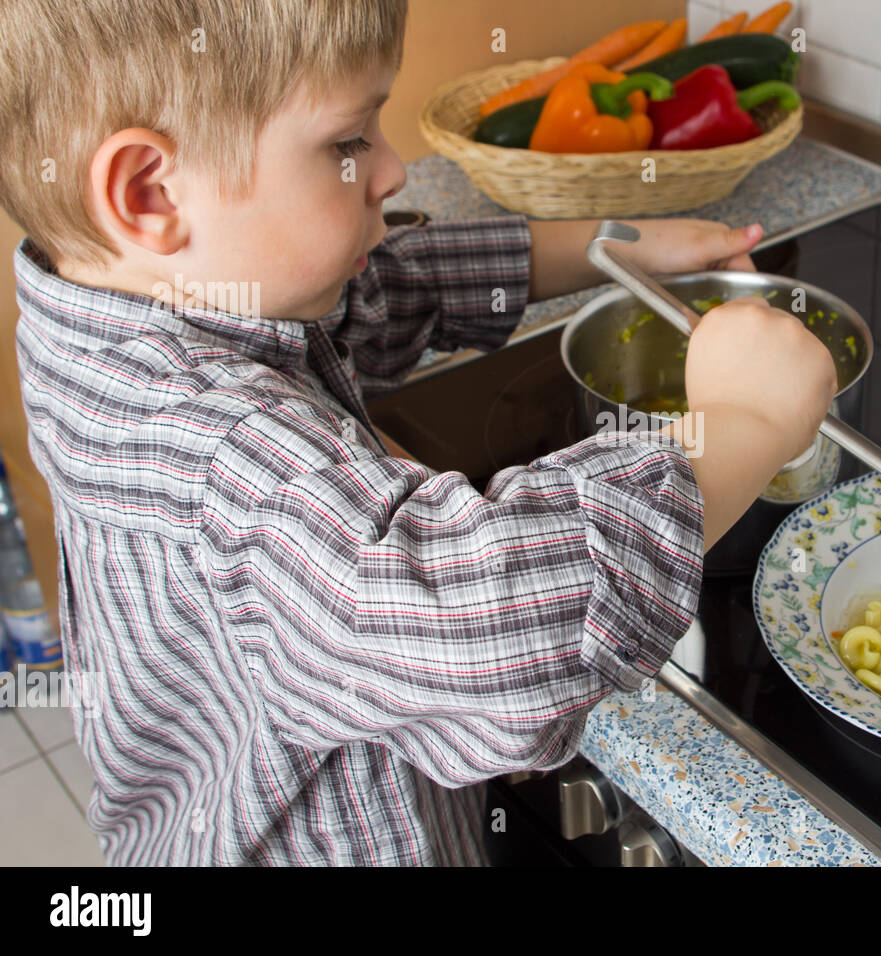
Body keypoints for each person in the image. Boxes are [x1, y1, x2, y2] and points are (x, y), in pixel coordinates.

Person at [0, 0, 837, 864]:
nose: (393, 169)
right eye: (346, 142)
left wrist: (613, 244)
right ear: (149, 192)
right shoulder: (218, 457)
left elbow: (383, 290)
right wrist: (746, 424)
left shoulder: (128, 311)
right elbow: (489, 622)